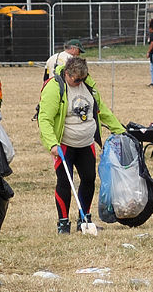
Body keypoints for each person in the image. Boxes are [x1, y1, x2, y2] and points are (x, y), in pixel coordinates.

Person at [39, 55, 127, 232]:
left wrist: (120, 130)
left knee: (89, 179)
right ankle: (63, 222)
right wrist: (52, 144)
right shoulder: (55, 87)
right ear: (67, 74)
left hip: (86, 143)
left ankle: (84, 220)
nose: (79, 82)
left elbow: (101, 110)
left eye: (83, 78)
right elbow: (45, 118)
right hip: (64, 144)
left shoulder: (88, 86)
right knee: (65, 181)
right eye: (76, 79)